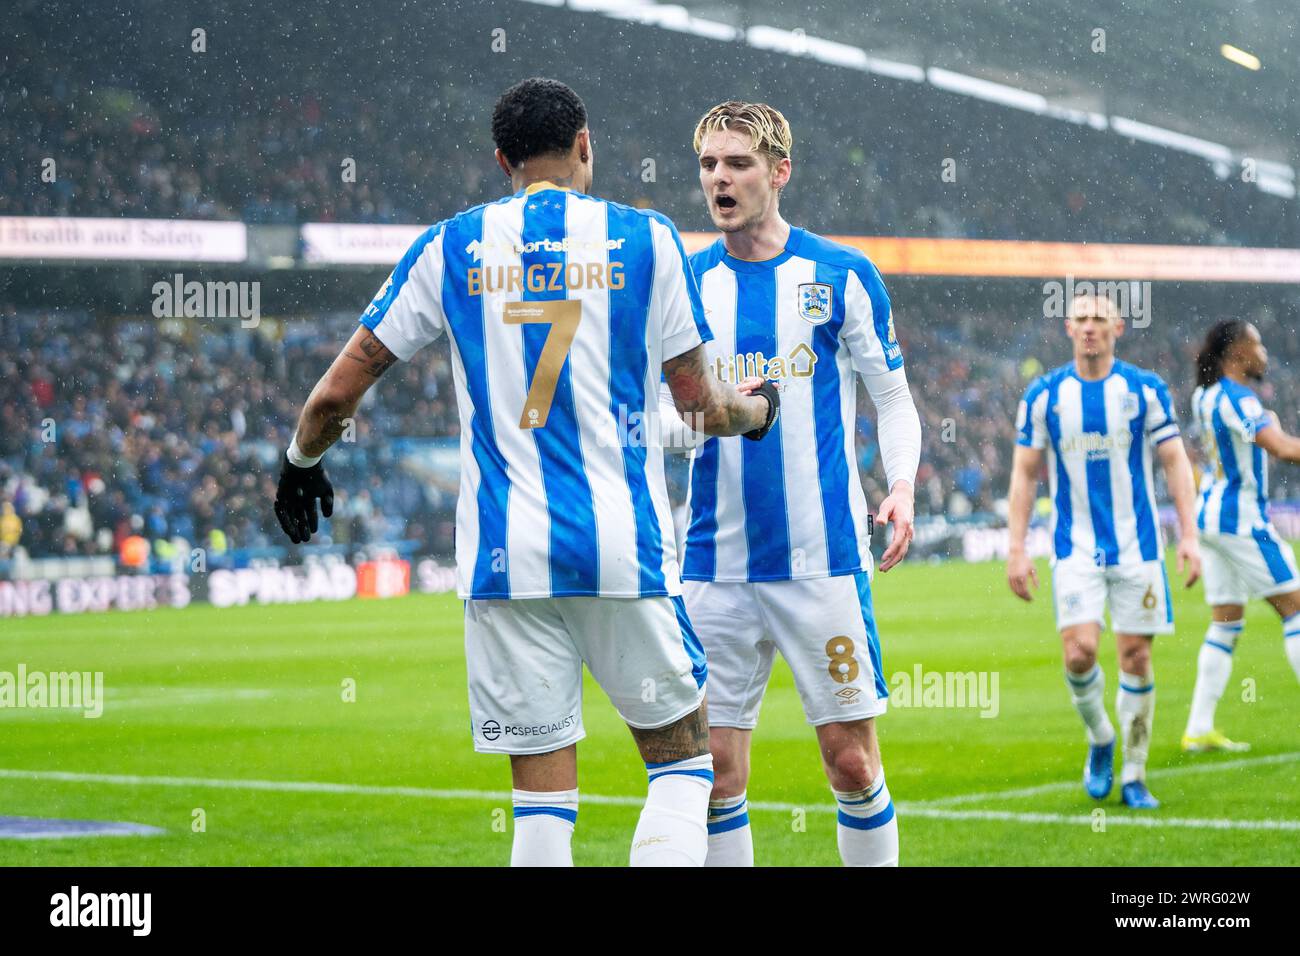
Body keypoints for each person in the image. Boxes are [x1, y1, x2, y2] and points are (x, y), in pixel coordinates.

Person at [272, 78, 778, 867]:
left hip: (503, 562)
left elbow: (337, 393)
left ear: (502, 159)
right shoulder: (645, 240)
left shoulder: (450, 246)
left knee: (541, 810)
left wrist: (301, 460)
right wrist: (759, 410)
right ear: (586, 145)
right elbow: (700, 409)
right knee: (683, 767)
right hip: (620, 551)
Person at [661, 101, 921, 866]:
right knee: (714, 776)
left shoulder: (840, 275)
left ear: (779, 172)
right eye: (708, 164)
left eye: (737, 163)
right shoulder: (682, 282)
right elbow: (660, 419)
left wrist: (899, 485)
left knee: (852, 763)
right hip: (713, 567)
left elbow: (894, 397)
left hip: (824, 558)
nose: (720, 178)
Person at [1006, 293, 1201, 809]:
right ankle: (1100, 738)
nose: (1090, 328)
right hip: (1075, 549)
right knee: (1080, 652)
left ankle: (1134, 775)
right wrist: (1016, 548)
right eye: (1082, 320)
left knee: (1135, 657)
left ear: (1118, 327)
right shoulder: (1045, 395)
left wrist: (1189, 535)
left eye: (1100, 319)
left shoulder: (1144, 390)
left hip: (1138, 549)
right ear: (1069, 328)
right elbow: (1025, 475)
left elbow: (1176, 463)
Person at [1181, 320, 1300, 752]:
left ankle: (1198, 728)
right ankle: (1197, 728)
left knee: (1226, 622)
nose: (1265, 353)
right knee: (1296, 610)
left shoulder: (1205, 395)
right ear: (1237, 354)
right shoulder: (1239, 399)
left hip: (1210, 520)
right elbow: (1283, 449)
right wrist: (1275, 427)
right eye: (1258, 344)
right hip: (1242, 520)